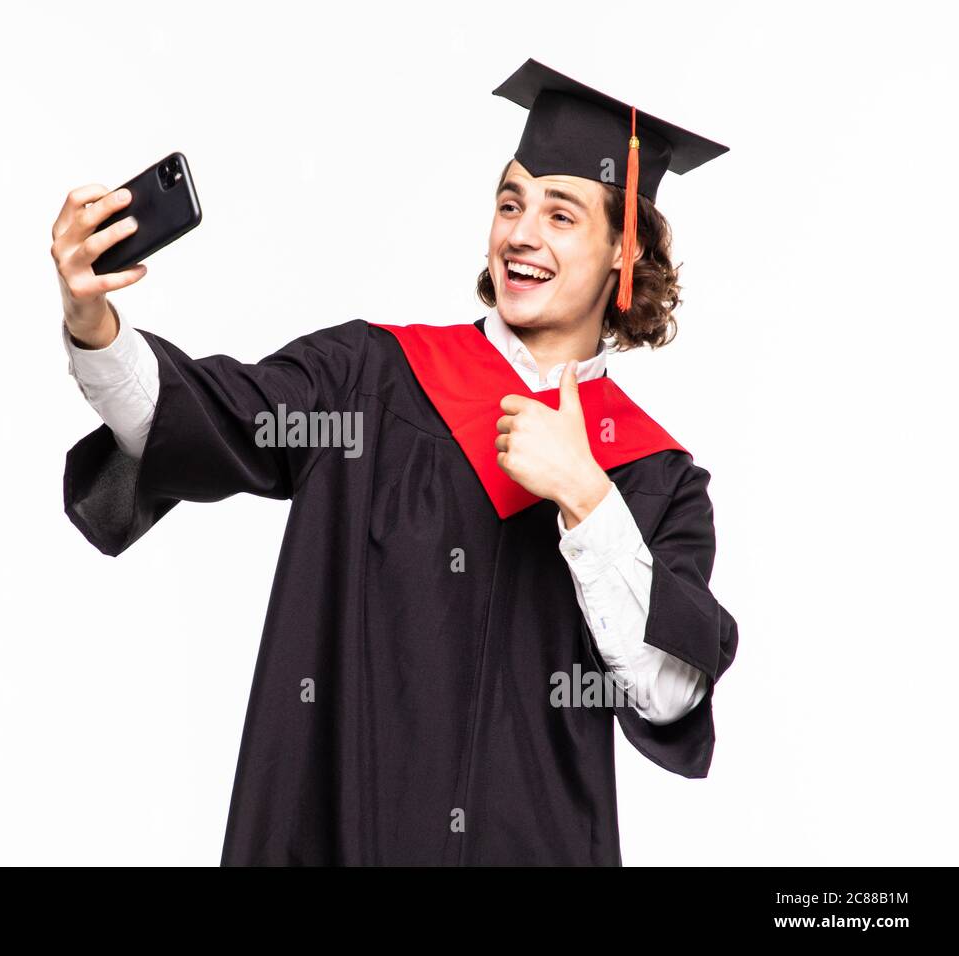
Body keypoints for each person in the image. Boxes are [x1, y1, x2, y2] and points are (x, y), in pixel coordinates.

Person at [50, 59, 739, 865]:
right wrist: (91, 319)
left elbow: (667, 694)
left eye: (561, 215)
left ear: (625, 250)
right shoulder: (373, 380)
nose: (520, 232)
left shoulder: (657, 479)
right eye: (510, 202)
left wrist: (586, 495)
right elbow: (200, 416)